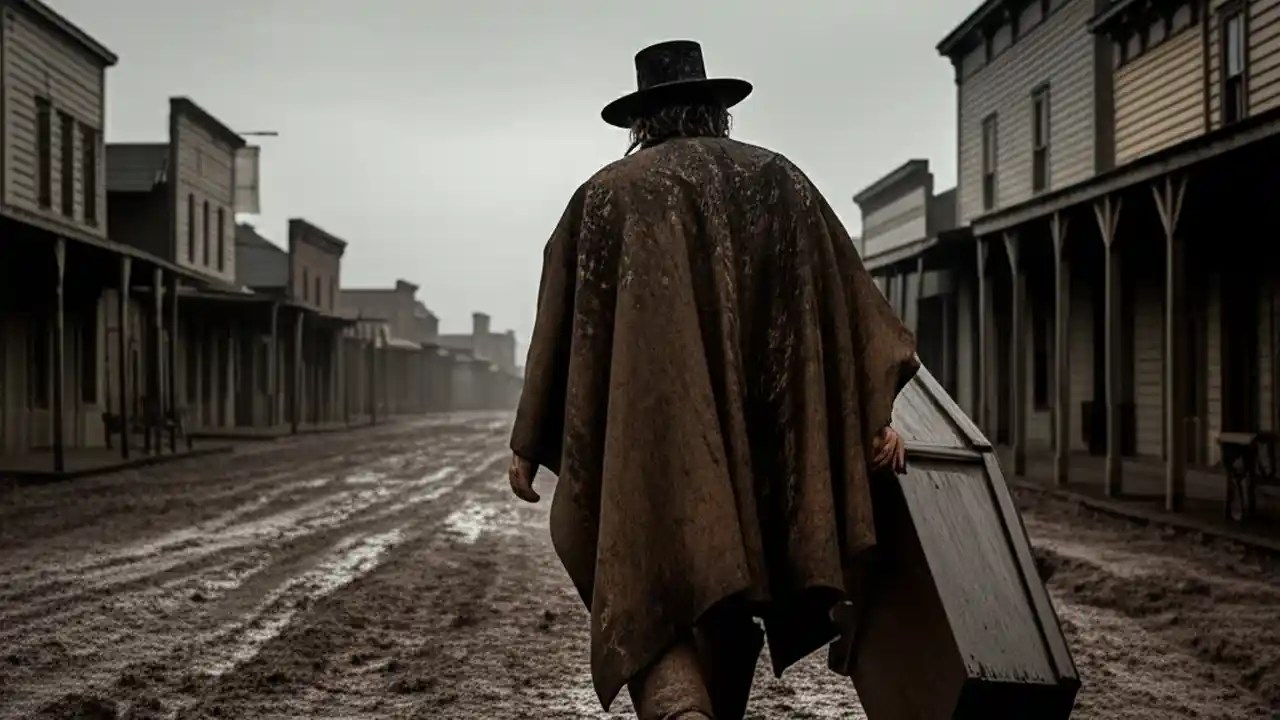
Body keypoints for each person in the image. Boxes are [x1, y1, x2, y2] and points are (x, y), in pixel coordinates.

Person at [508, 40, 918, 720]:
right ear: (717, 112)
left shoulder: (608, 195)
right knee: (736, 583)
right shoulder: (783, 183)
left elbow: (564, 320)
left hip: (652, 443)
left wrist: (530, 440)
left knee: (646, 566)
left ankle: (678, 709)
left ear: (643, 121)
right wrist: (873, 417)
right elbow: (849, 304)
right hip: (768, 444)